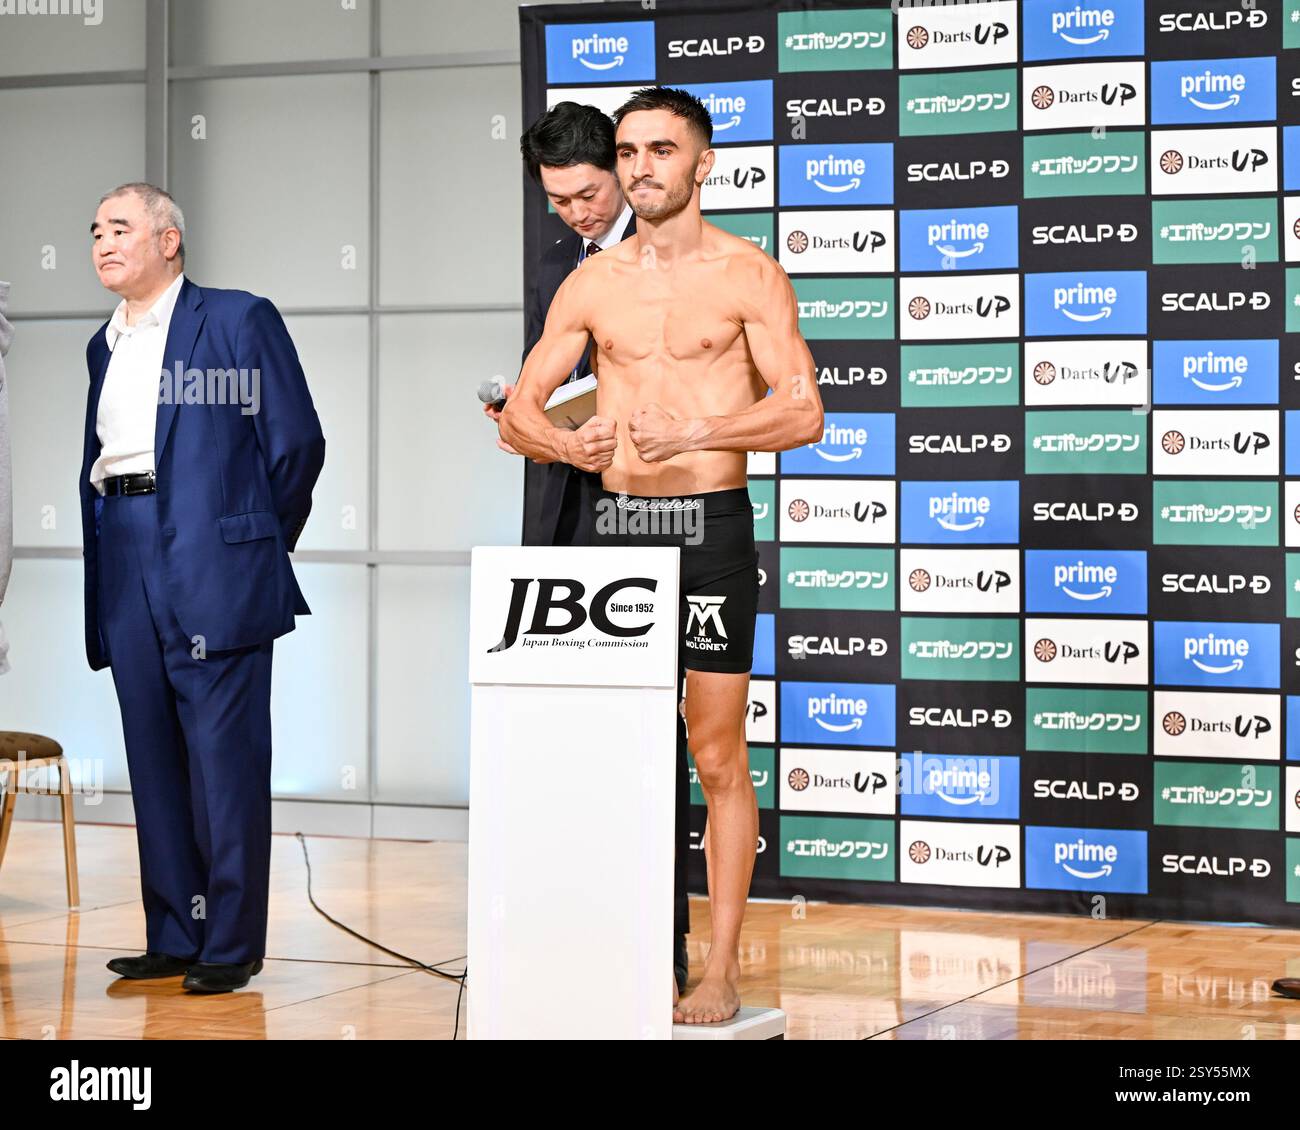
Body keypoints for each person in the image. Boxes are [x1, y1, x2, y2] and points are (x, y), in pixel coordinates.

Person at [500, 86, 824, 1023]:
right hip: (616, 531)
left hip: (708, 525)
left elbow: (804, 410)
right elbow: (521, 413)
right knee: (615, 753)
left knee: (714, 756)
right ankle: (631, 947)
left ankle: (719, 966)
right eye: (631, 151)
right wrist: (569, 446)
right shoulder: (592, 283)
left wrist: (705, 430)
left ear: (702, 162)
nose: (642, 167)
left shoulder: (747, 274)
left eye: (662, 151)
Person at [81, 183, 325, 993]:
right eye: (95, 232)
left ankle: (228, 944)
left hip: (214, 564)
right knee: (152, 753)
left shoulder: (234, 318)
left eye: (121, 227)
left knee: (223, 762)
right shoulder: (102, 344)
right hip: (124, 549)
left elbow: (295, 446)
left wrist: (250, 546)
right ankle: (174, 932)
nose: (103, 242)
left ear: (169, 240)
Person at [496, 102, 694, 997]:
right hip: (559, 504)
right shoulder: (553, 263)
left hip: (653, 507)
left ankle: (664, 944)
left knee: (652, 726)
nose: (574, 213)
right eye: (557, 200)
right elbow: (544, 382)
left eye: (585, 194)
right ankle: (573, 925)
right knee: (564, 724)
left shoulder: (679, 251)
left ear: (623, 172)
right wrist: (523, 417)